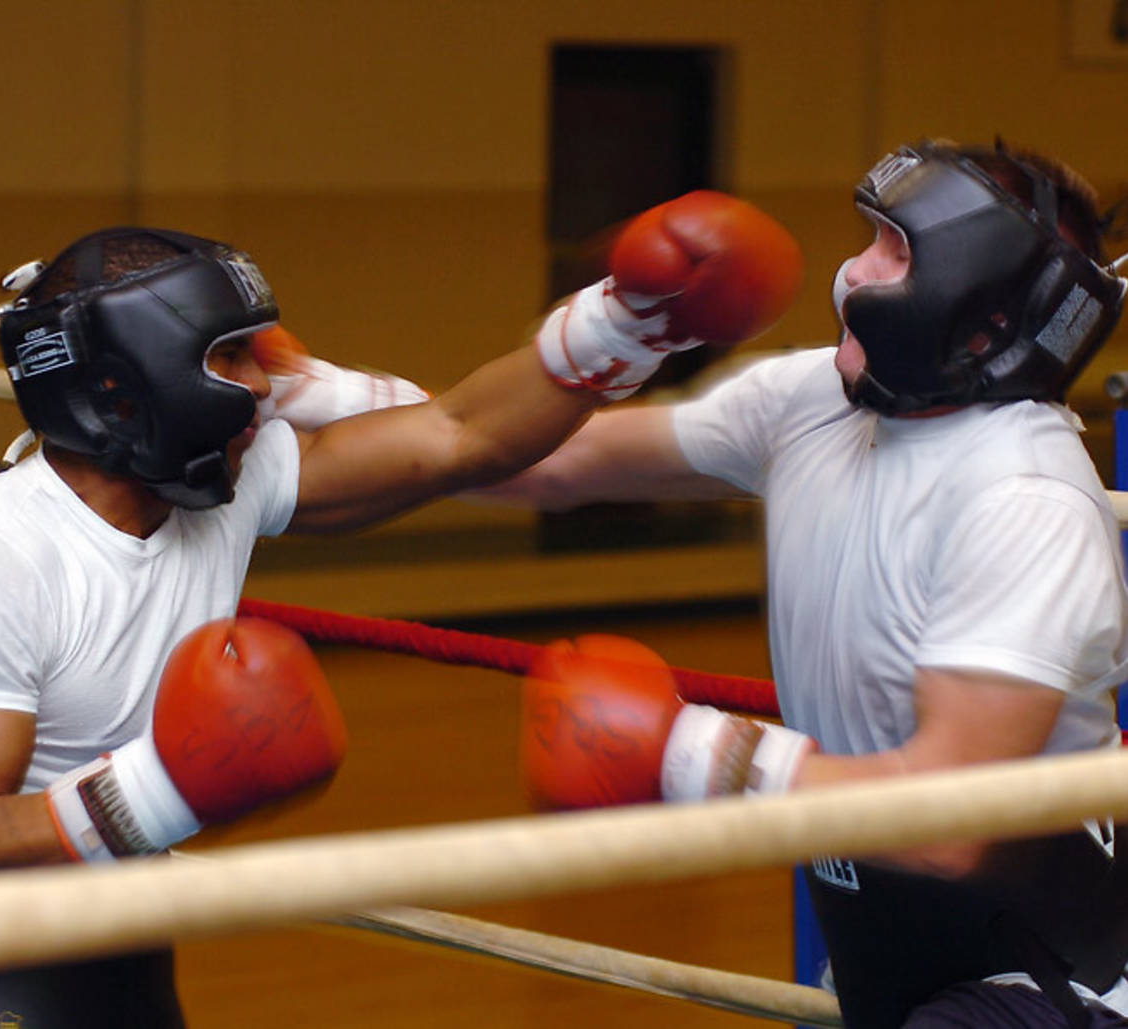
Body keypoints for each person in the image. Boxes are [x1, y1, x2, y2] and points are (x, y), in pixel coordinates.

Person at [0, 196, 803, 1028]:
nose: (268, 385)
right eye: (229, 355)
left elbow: (459, 436)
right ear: (129, 385)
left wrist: (627, 324)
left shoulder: (222, 486)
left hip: (121, 940)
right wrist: (168, 783)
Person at [465, 139, 1128, 1028]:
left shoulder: (1022, 501)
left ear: (981, 309)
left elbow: (948, 822)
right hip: (890, 950)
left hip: (1056, 977)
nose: (851, 273)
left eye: (897, 250)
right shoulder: (812, 399)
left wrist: (683, 751)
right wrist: (306, 413)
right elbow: (541, 460)